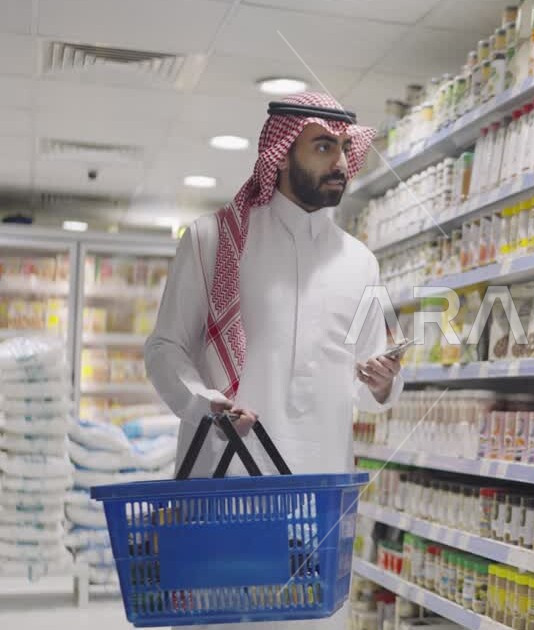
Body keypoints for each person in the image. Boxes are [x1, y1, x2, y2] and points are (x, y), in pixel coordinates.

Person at [145, 93, 402, 625]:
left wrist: (381, 385)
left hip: (320, 495)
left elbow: (369, 378)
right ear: (280, 155)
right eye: (323, 147)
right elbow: (165, 348)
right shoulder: (214, 240)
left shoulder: (362, 263)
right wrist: (207, 404)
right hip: (227, 483)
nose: (339, 163)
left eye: (345, 149)